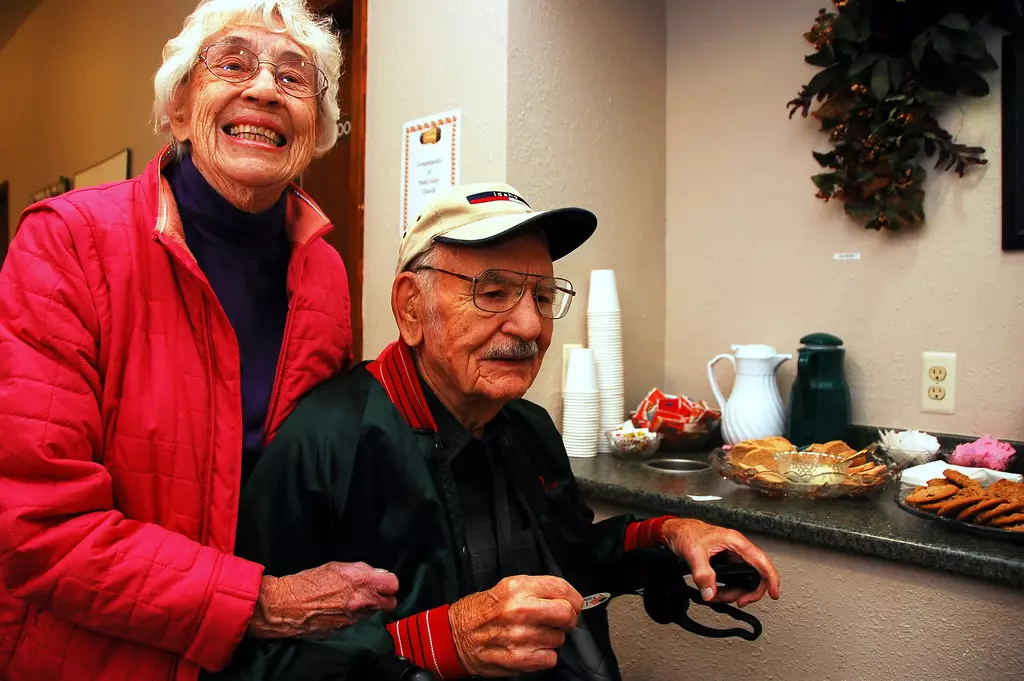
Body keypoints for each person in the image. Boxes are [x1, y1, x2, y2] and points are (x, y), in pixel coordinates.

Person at [223, 183, 782, 680]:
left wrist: (669, 537)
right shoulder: (324, 443)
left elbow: (568, 563)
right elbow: (252, 655)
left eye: (542, 296)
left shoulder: (528, 426)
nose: (531, 326)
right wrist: (441, 643)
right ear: (410, 308)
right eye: (492, 293)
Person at [0, 2, 398, 680]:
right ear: (179, 108)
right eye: (233, 63)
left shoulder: (322, 270)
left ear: (318, 129)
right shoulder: (67, 241)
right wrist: (261, 602)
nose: (266, 88)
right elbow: (35, 526)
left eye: (295, 77)